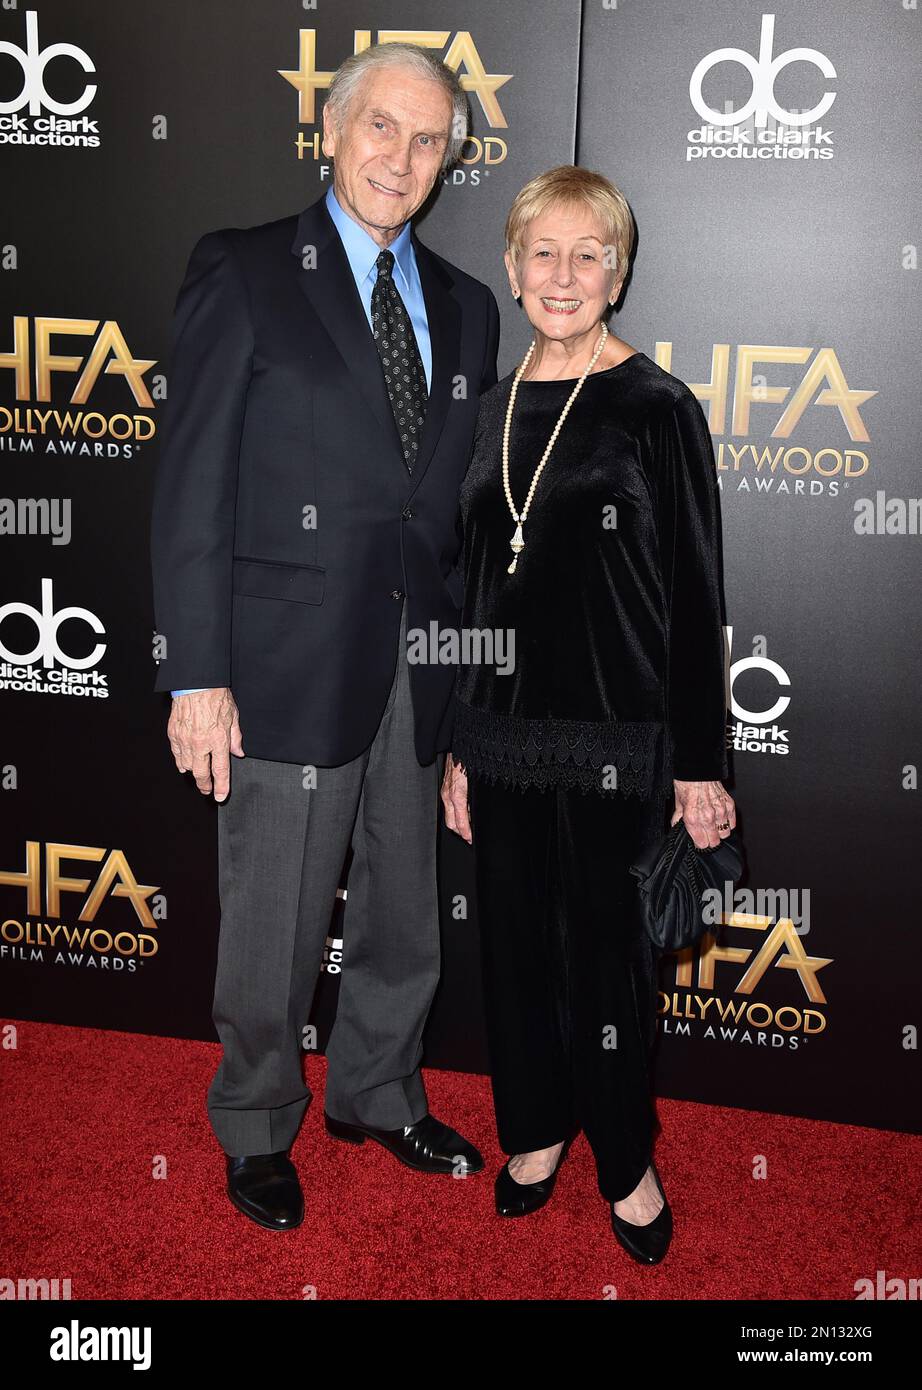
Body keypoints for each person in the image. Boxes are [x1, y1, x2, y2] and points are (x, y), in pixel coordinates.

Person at [150, 42, 500, 1231]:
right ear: (332, 131)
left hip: (418, 664)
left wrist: (464, 698)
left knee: (405, 911)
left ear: (448, 162)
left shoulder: (466, 307)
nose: (401, 157)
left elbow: (451, 522)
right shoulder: (244, 270)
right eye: (382, 128)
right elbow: (190, 484)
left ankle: (377, 1090)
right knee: (276, 917)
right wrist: (195, 672)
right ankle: (254, 1120)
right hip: (285, 662)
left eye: (428, 141)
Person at [441, 165, 736, 1264]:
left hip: (619, 740)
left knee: (607, 957)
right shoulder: (487, 410)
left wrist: (699, 765)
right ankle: (531, 1134)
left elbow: (697, 593)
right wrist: (459, 746)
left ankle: (624, 1154)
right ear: (513, 269)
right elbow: (475, 588)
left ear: (617, 270)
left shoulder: (657, 407)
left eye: (587, 254)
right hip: (504, 740)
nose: (562, 276)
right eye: (542, 254)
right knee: (513, 948)